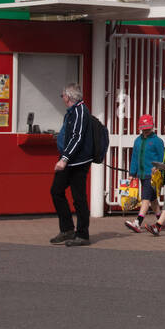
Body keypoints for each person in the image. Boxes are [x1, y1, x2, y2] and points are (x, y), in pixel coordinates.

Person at [50, 84, 95, 246]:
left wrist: (64, 159)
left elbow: (77, 137)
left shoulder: (80, 111)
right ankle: (67, 229)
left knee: (79, 198)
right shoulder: (72, 112)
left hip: (78, 162)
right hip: (70, 160)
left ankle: (83, 234)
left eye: (62, 95)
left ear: (68, 97)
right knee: (56, 191)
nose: (62, 98)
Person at [124, 115, 163, 233]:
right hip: (141, 174)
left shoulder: (157, 141)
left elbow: (162, 158)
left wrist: (158, 169)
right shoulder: (138, 140)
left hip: (152, 175)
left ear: (152, 127)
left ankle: (137, 222)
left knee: (145, 198)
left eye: (148, 128)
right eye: (143, 128)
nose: (145, 130)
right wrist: (132, 173)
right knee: (152, 199)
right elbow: (135, 158)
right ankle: (161, 221)